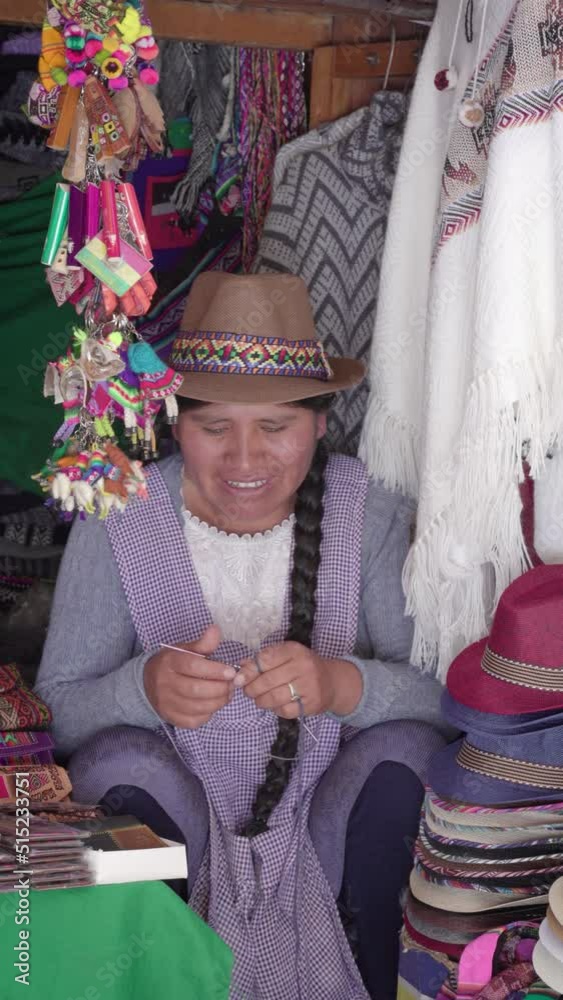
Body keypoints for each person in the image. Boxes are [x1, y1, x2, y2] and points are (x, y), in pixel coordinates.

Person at [36, 272, 451, 1000]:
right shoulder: (120, 514)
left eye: (276, 427)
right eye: (213, 427)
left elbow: (446, 703)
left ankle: (373, 963)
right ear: (173, 422)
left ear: (321, 423)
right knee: (113, 764)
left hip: (327, 825)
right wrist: (141, 690)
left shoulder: (368, 508)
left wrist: (339, 685)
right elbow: (55, 714)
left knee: (410, 757)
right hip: (179, 822)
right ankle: (150, 975)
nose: (245, 460)